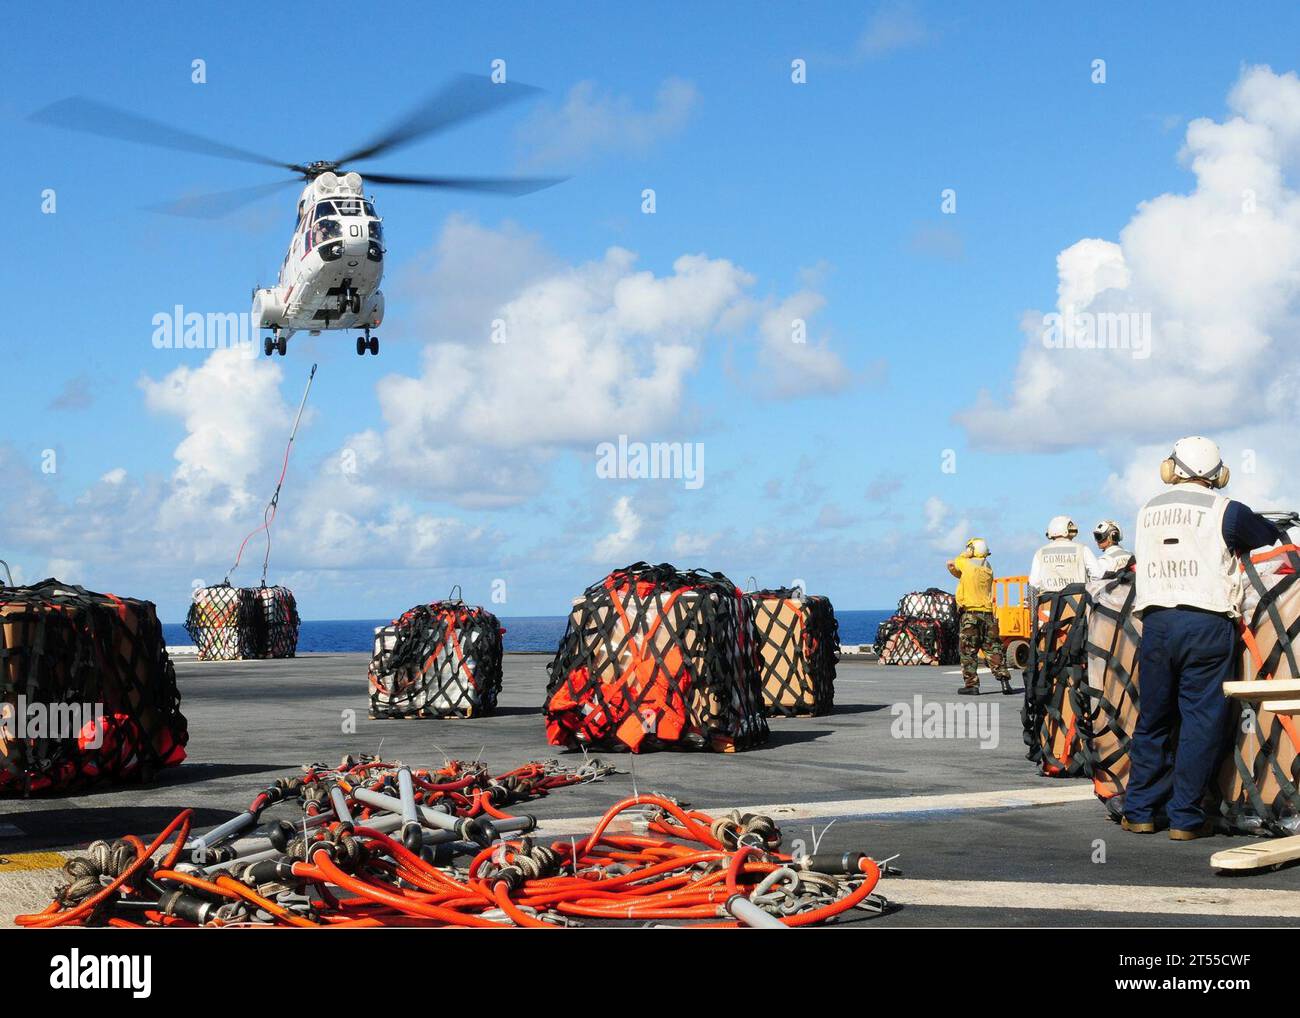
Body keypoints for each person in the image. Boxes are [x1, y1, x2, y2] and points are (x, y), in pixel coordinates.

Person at [1122, 436, 1281, 841]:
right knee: (1200, 721)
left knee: (1154, 720)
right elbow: (1268, 537)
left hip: (1157, 624)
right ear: (1219, 474)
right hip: (1207, 626)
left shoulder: (1146, 510)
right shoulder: (1226, 511)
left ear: (1171, 468)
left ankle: (1139, 810)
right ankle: (1185, 819)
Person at [947, 537, 1014, 696]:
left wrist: (966, 553)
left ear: (972, 550)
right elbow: (962, 574)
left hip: (971, 614)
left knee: (968, 650)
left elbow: (953, 563)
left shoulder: (966, 563)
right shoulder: (987, 567)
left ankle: (972, 685)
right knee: (993, 649)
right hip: (988, 615)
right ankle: (1004, 681)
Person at [1027, 516, 1094, 608]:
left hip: (1048, 607)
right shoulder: (1083, 549)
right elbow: (1097, 574)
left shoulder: (1040, 553)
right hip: (1079, 606)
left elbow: (1033, 583)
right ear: (1068, 531)